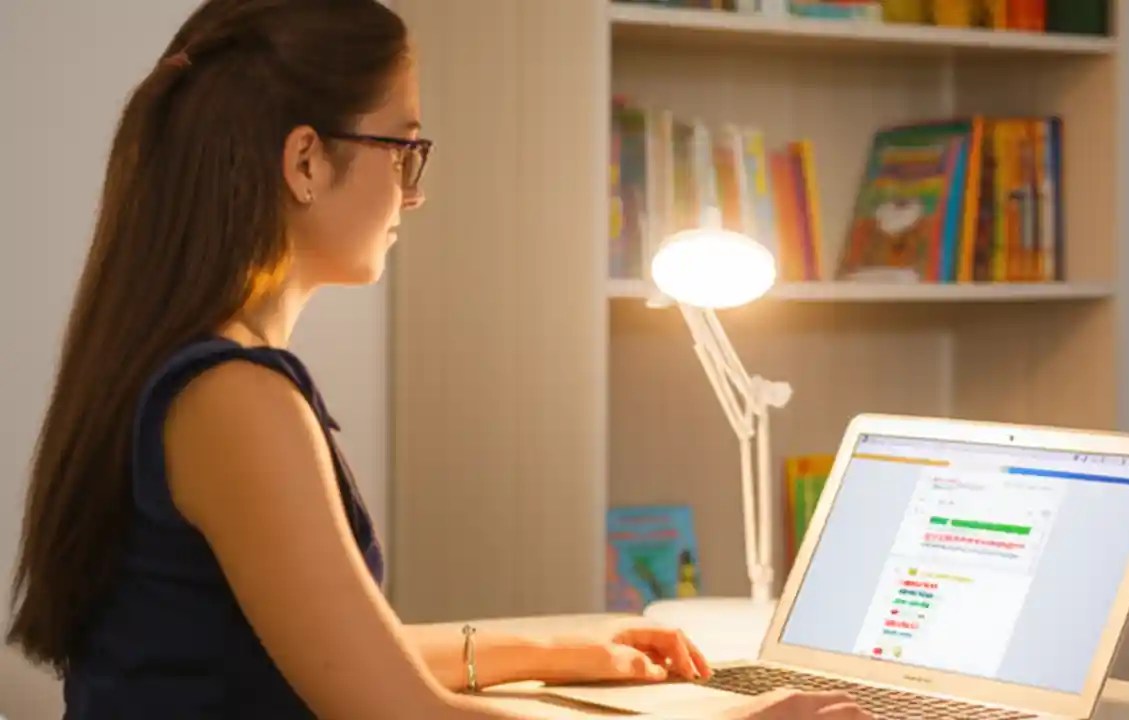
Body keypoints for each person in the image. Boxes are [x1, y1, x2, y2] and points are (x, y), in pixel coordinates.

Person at [5, 1, 872, 718]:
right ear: (306, 160)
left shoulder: (183, 367)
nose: (412, 194)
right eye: (404, 147)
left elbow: (317, 649)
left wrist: (559, 649)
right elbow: (396, 714)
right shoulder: (233, 400)